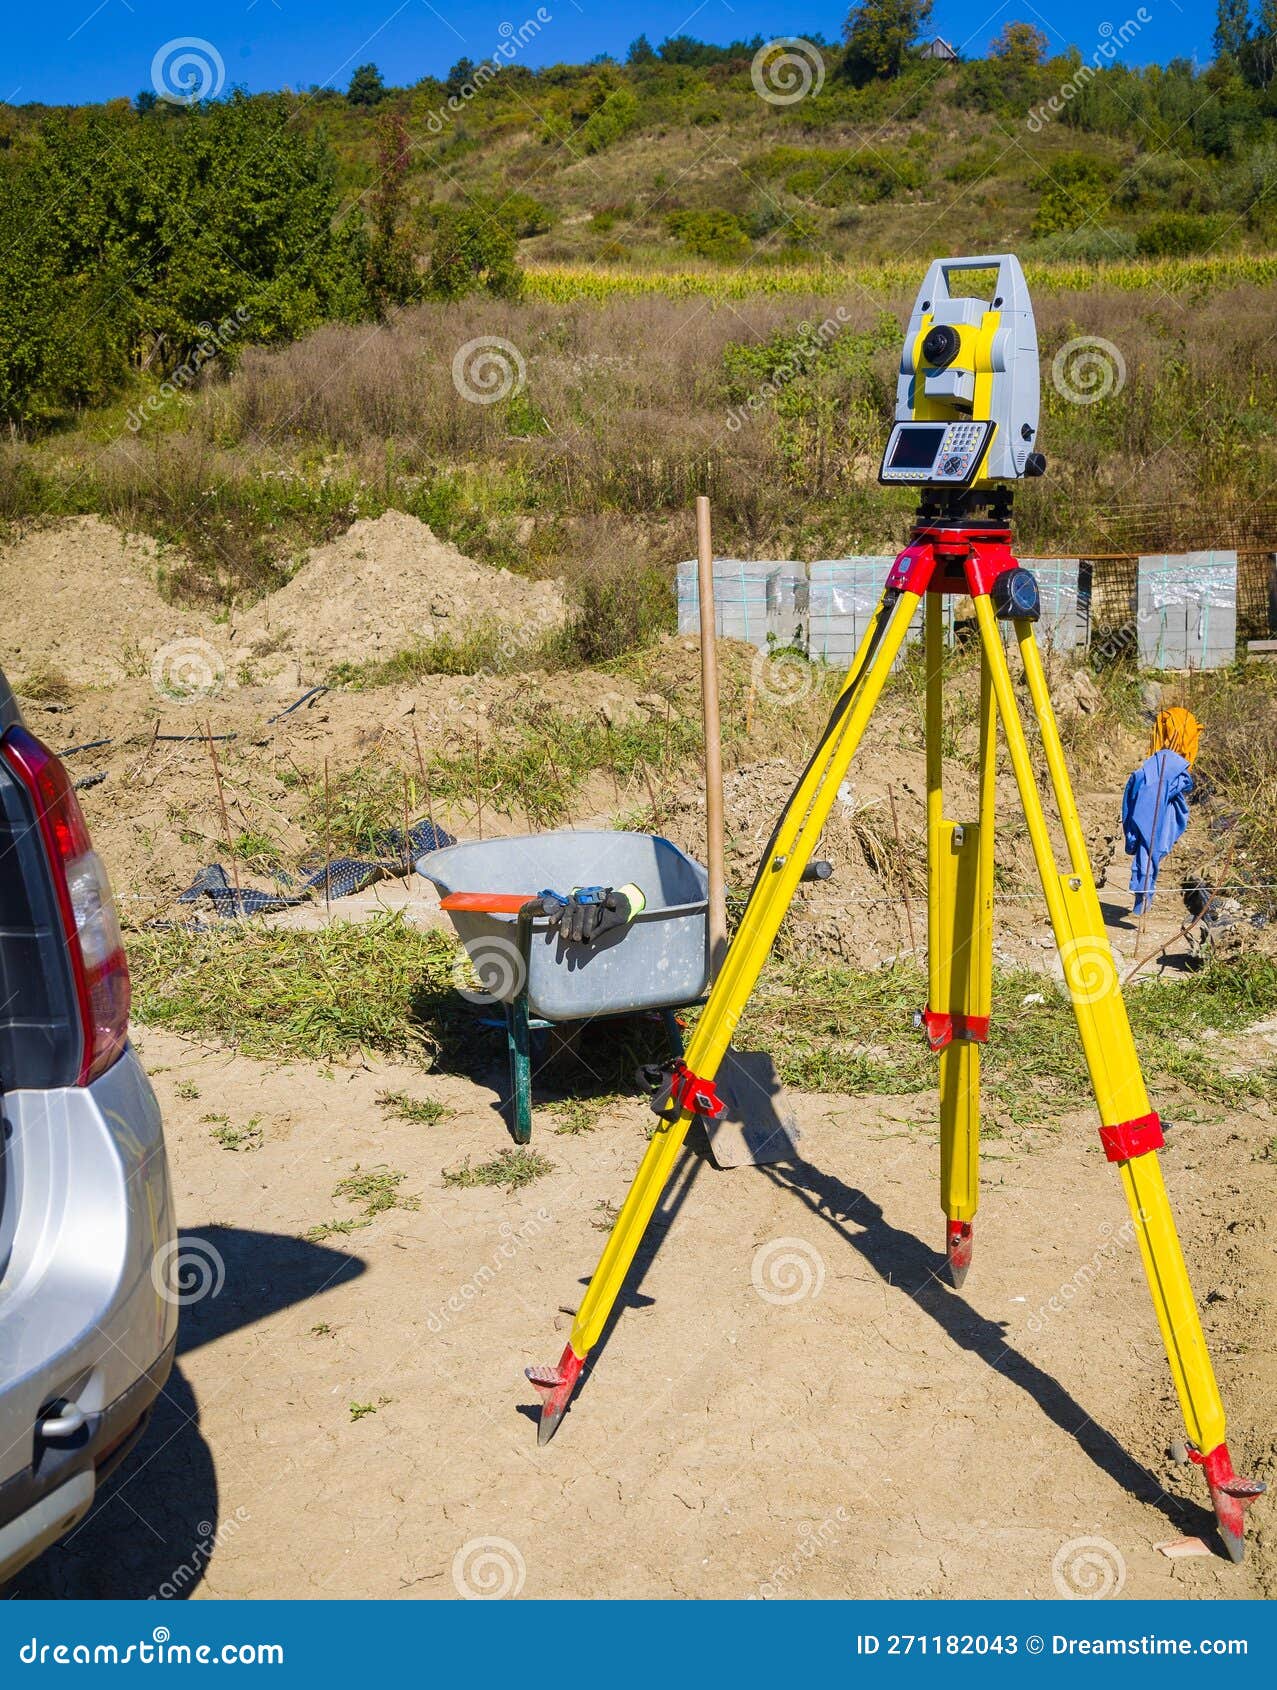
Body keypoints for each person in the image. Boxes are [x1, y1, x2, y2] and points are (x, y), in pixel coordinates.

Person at [1121, 708, 1200, 914]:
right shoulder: (1167, 764)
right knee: (1150, 849)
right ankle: (1143, 895)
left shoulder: (1159, 762)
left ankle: (1144, 894)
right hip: (1152, 810)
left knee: (1149, 851)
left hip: (1152, 807)